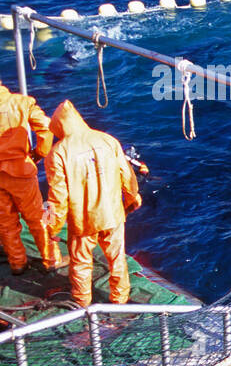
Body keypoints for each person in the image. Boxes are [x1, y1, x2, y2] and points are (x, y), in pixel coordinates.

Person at [42, 100, 141, 306]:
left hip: (83, 221)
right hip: (113, 214)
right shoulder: (108, 140)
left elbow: (57, 198)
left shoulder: (58, 153)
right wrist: (132, 198)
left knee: (80, 262)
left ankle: (82, 303)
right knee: (117, 258)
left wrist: (53, 227)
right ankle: (120, 300)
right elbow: (127, 175)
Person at [0, 83, 64, 275]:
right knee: (39, 217)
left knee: (5, 221)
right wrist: (39, 153)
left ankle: (17, 262)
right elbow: (46, 128)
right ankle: (51, 259)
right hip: (20, 171)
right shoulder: (21, 102)